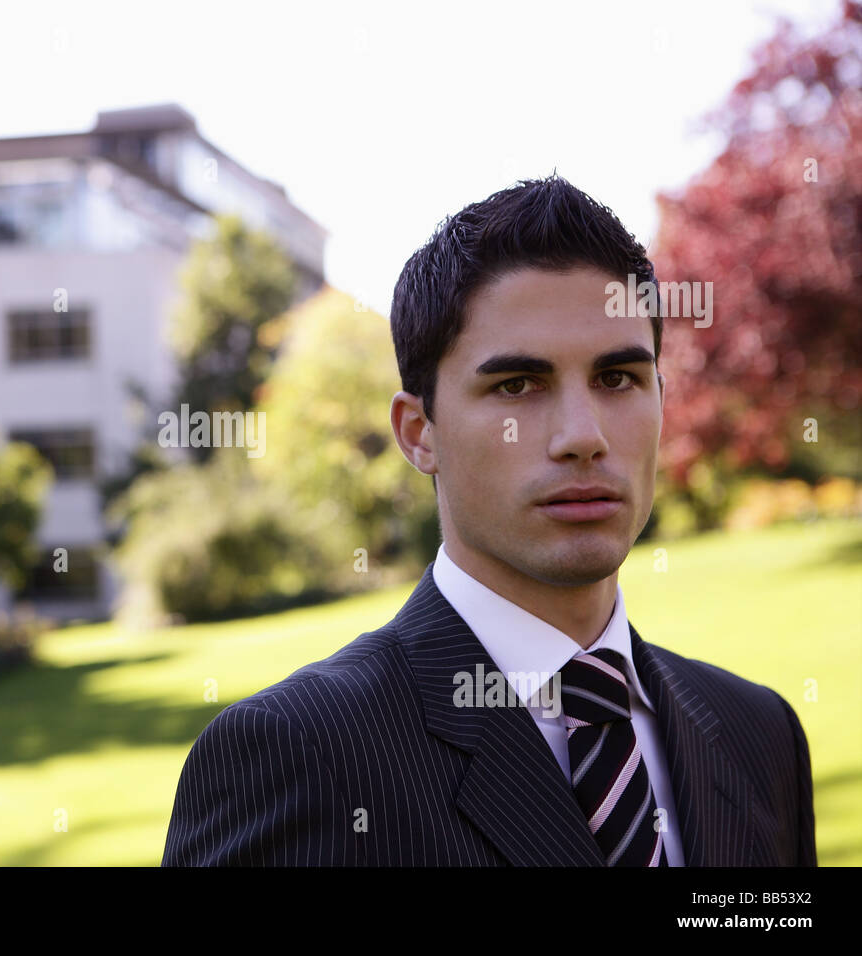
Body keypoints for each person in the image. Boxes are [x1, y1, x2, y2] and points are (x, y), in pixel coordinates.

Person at [160, 176, 817, 866]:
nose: (581, 435)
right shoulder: (299, 756)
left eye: (617, 377)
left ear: (661, 396)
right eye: (517, 386)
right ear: (419, 432)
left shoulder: (758, 733)